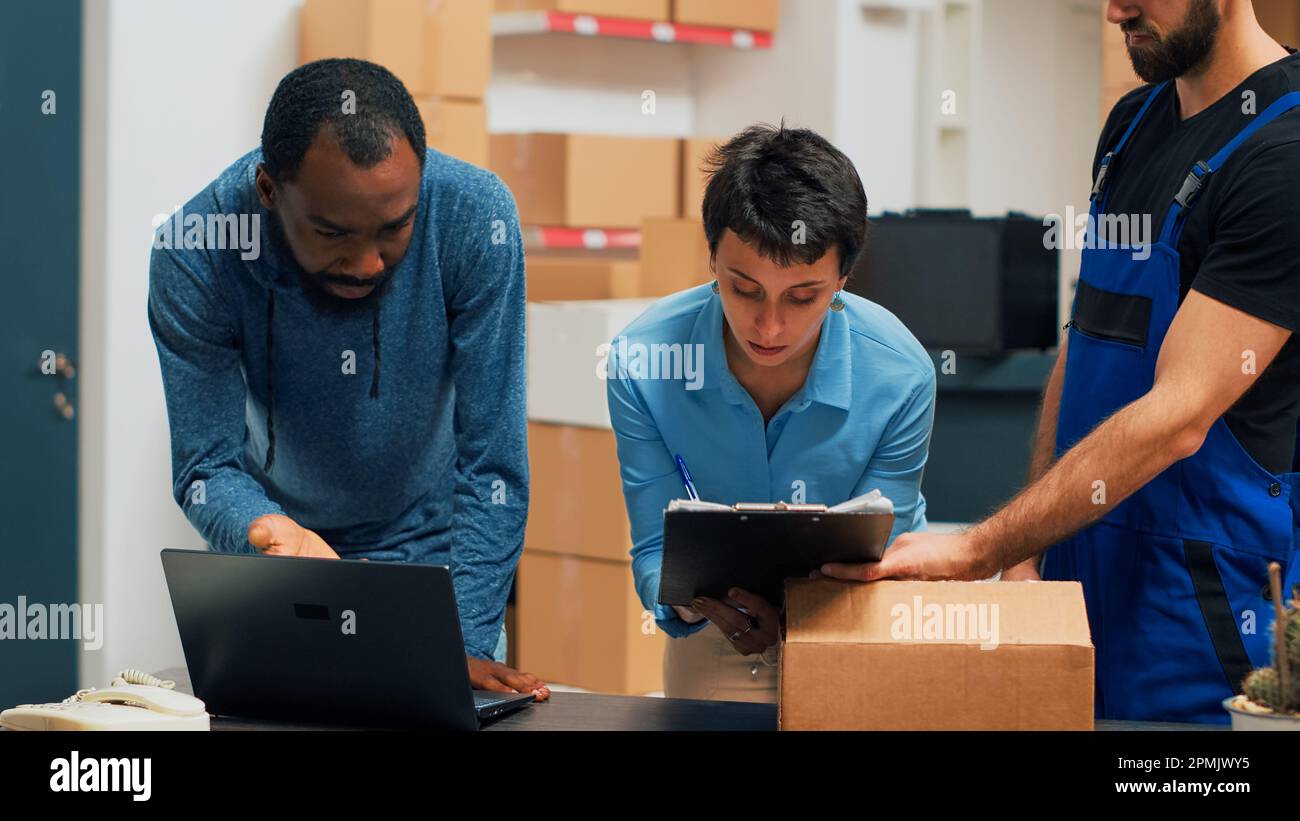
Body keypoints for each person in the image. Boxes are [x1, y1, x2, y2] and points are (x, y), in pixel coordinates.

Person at [823, 0, 1299, 724]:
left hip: (1201, 600)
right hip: (1078, 574)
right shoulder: (1131, 126)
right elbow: (1086, 342)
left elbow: (1179, 416)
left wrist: (982, 546)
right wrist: (1029, 551)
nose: (1114, 10)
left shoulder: (1284, 154)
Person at [148, 58, 549, 701]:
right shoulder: (196, 252)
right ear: (269, 191)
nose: (367, 263)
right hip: (287, 561)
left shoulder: (476, 217)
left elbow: (493, 465)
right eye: (332, 232)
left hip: (436, 554)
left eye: (396, 230)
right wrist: (265, 531)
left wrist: (464, 641)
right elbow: (206, 467)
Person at [606, 123, 935, 702]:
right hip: (712, 633)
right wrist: (694, 598)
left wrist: (795, 614)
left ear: (843, 278)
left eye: (803, 296)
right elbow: (655, 551)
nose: (770, 326)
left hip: (853, 623)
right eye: (745, 289)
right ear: (711, 258)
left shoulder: (901, 375)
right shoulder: (643, 362)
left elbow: (888, 555)